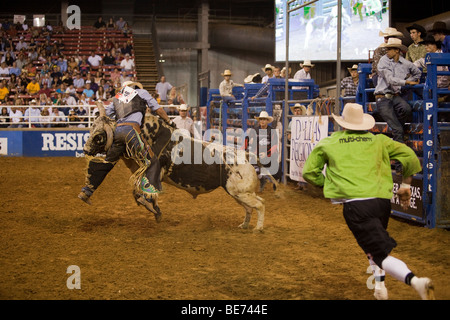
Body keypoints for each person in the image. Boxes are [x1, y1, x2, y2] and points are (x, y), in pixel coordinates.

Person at [302, 103, 435, 300]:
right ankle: (380, 288)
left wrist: (329, 185)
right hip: (381, 203)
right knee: (373, 247)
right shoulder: (379, 140)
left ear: (342, 124)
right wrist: (405, 185)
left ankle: (415, 281)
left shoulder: (329, 143)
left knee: (380, 253)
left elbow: (309, 173)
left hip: (357, 205)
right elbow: (409, 156)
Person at [78, 81, 174, 221]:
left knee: (108, 163)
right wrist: (169, 121)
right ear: (135, 87)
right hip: (132, 131)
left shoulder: (118, 97)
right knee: (152, 162)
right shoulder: (141, 93)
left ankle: (87, 191)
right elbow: (157, 109)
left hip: (118, 132)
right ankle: (147, 196)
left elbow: (106, 114)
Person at [374, 38, 421, 143]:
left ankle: (396, 135)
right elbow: (390, 80)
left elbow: (417, 73)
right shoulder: (383, 61)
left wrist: (409, 80)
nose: (387, 52)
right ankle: (398, 145)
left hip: (394, 95)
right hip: (382, 96)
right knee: (398, 129)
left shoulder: (406, 63)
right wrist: (407, 82)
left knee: (406, 109)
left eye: (389, 49)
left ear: (397, 50)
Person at [247, 111, 279, 192]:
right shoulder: (255, 130)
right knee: (253, 165)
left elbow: (274, 146)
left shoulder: (272, 131)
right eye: (261, 119)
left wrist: (267, 154)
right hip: (258, 154)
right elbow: (252, 143)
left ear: (267, 121)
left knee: (274, 170)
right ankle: (262, 179)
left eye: (264, 119)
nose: (262, 121)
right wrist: (253, 153)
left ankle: (275, 183)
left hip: (270, 154)